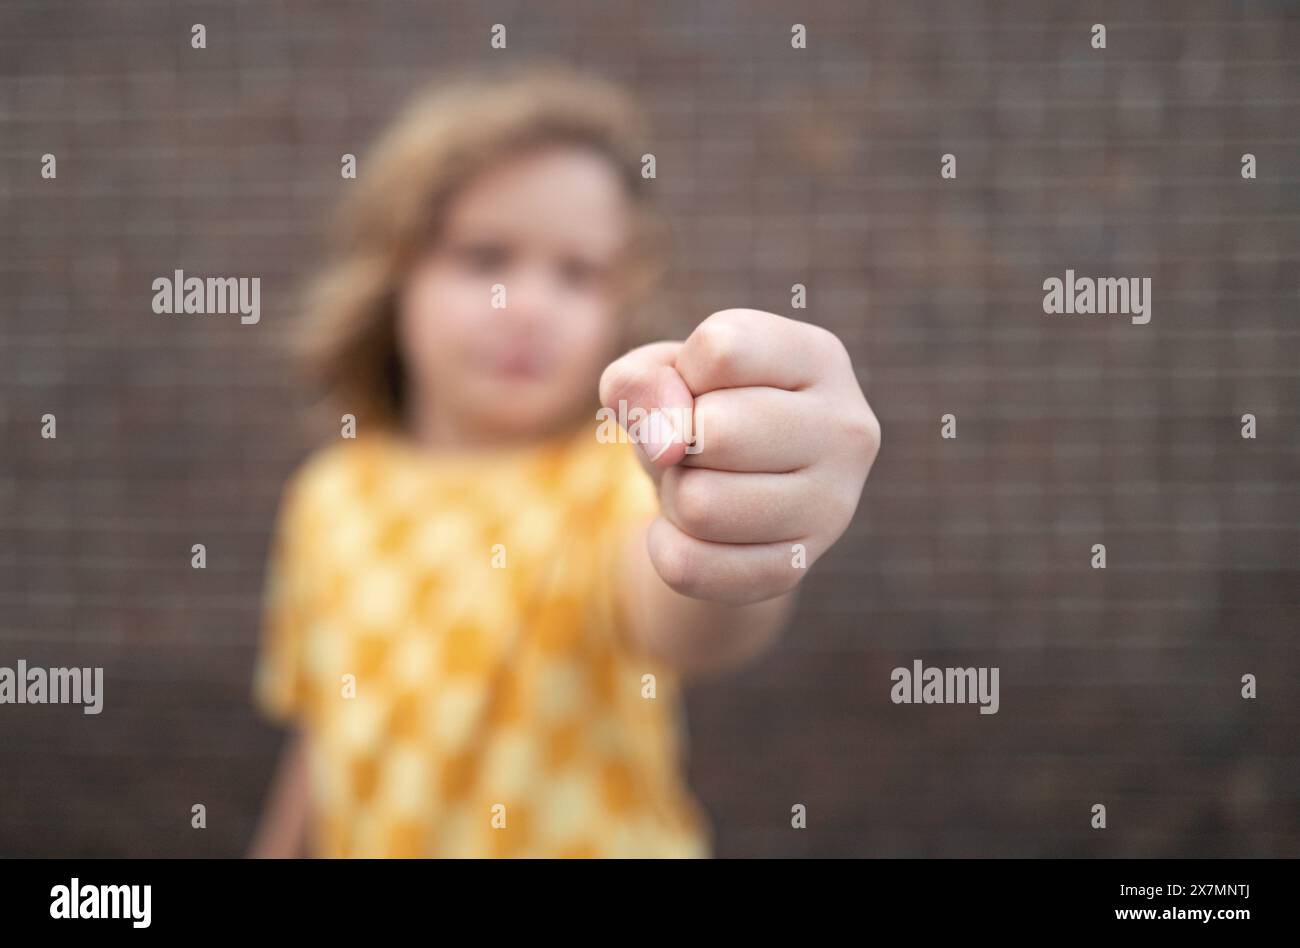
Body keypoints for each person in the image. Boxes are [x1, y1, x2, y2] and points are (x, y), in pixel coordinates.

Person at [248, 63, 880, 858]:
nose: (532, 307)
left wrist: (736, 530)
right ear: (392, 277)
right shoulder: (326, 498)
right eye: (485, 258)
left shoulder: (610, 477)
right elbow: (323, 728)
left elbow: (685, 607)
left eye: (578, 273)